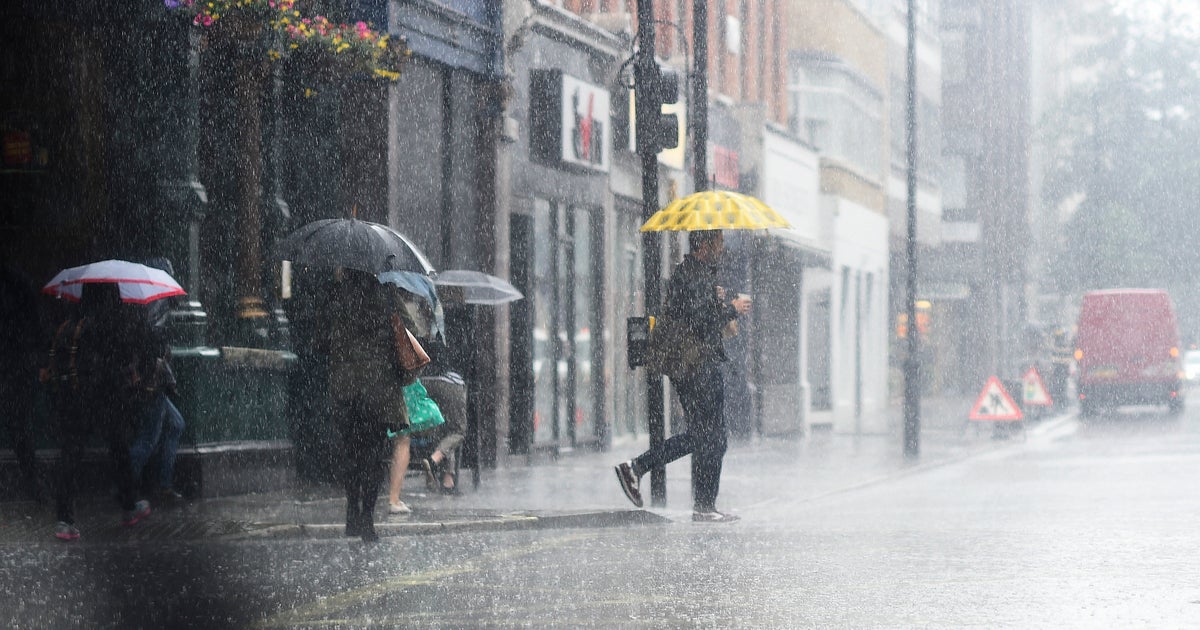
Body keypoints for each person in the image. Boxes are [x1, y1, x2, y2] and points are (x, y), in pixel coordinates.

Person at [614, 229, 751, 522]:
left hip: (696, 365)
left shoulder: (693, 274)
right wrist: (732, 309)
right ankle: (640, 470)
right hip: (696, 366)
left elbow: (695, 313)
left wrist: (714, 297)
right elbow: (702, 323)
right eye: (719, 243)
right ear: (705, 245)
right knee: (708, 436)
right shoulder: (692, 275)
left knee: (708, 437)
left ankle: (702, 504)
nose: (722, 248)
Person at [43, 283, 154, 541]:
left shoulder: (72, 323)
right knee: (119, 448)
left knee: (71, 453)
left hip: (74, 397)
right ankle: (129, 505)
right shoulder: (110, 323)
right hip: (105, 397)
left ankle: (64, 519)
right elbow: (123, 357)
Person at [322, 268, 414, 542]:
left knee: (351, 452)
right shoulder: (387, 295)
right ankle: (367, 519)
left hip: (345, 387)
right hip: (379, 388)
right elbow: (411, 330)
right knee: (374, 456)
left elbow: (320, 337)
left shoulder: (336, 296)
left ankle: (352, 510)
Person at [128, 257, 186, 500]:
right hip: (153, 381)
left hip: (149, 378)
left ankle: (163, 483)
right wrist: (165, 377)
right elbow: (156, 346)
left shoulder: (144, 304)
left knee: (175, 424)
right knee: (148, 439)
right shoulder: (158, 304)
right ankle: (127, 487)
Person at [386, 338, 466, 513]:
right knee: (457, 431)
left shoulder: (422, 333)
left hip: (424, 380)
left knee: (440, 426)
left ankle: (448, 481)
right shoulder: (451, 335)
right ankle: (434, 460)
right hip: (450, 380)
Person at [1, 263, 44, 501]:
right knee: (19, 426)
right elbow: (35, 325)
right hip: (17, 363)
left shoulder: (16, 284)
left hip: (15, 363)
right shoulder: (19, 283)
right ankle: (32, 482)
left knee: (18, 425)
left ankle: (32, 481)